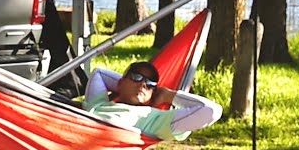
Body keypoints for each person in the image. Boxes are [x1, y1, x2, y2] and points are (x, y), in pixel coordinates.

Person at [82, 60, 222, 141]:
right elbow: (99, 73)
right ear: (120, 82)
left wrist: (168, 95)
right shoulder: (99, 103)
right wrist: (123, 87)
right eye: (137, 77)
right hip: (77, 132)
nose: (143, 84)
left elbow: (211, 111)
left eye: (150, 84)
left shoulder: (153, 119)